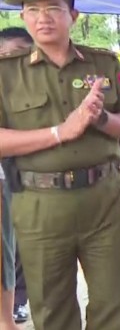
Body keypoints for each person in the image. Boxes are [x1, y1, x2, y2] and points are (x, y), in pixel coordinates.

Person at [0, 0, 120, 330]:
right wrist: (59, 132)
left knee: (111, 304)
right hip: (40, 204)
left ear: (74, 15)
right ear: (22, 16)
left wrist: (101, 118)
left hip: (104, 200)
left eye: (53, 9)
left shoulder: (105, 64)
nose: (42, 17)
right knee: (52, 309)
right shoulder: (6, 72)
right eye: (32, 10)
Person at [0, 28, 31, 329]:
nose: (11, 60)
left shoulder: (39, 88)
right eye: (5, 55)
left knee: (10, 252)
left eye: (19, 53)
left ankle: (9, 317)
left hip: (25, 182)